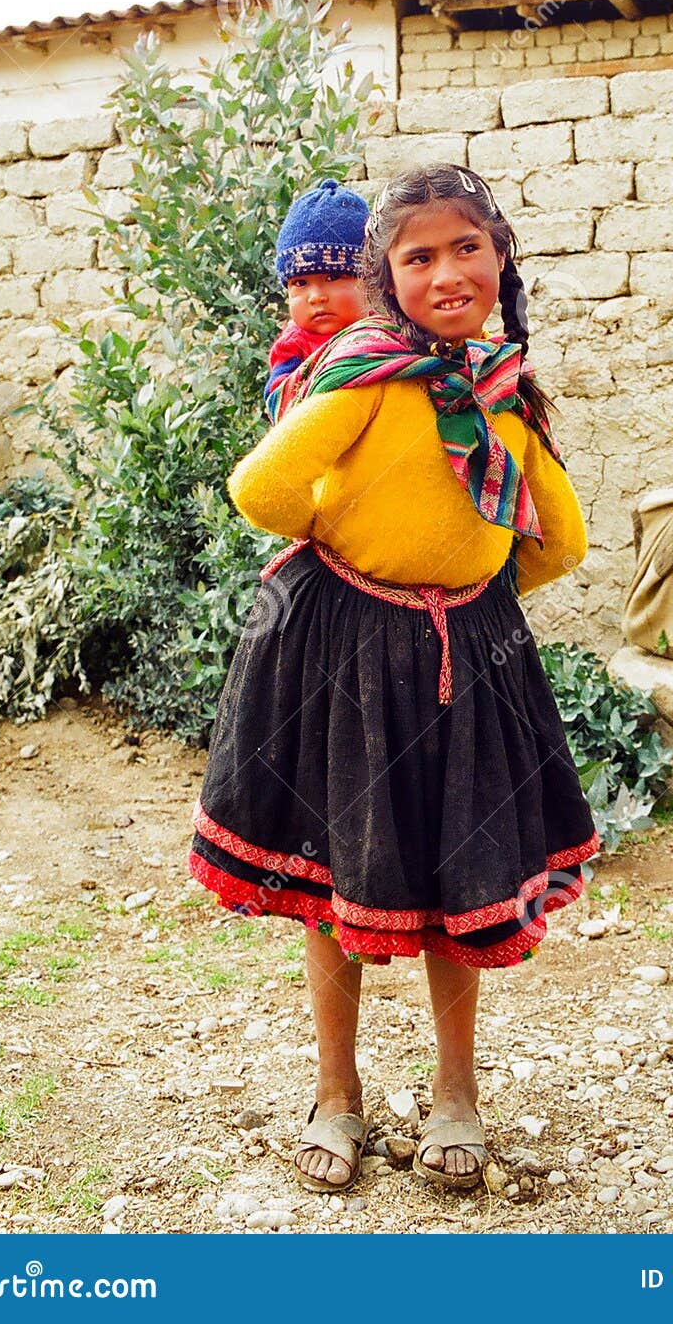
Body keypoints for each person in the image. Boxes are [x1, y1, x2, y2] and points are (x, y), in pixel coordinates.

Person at [189, 162, 599, 1196]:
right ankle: (338, 1094)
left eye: (468, 248)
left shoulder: (507, 396)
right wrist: (357, 542)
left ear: (501, 262)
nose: (447, 270)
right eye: (419, 255)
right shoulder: (364, 375)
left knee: (457, 881)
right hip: (345, 657)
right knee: (333, 881)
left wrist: (473, 567)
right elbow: (264, 486)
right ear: (387, 280)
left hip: (468, 660)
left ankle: (454, 1095)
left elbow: (561, 542)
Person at [264, 176, 369, 406]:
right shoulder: (294, 346)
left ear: (370, 281)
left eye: (333, 277)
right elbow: (279, 403)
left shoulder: (388, 330)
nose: (316, 297)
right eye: (300, 283)